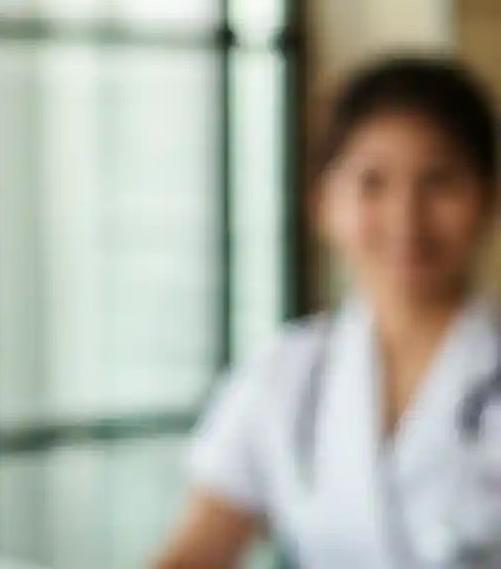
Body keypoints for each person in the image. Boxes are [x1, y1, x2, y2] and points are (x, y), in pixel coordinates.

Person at [156, 56, 501, 568]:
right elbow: (197, 551)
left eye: (439, 181)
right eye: (372, 183)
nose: (405, 217)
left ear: (489, 198)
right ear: (323, 203)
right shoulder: (285, 371)